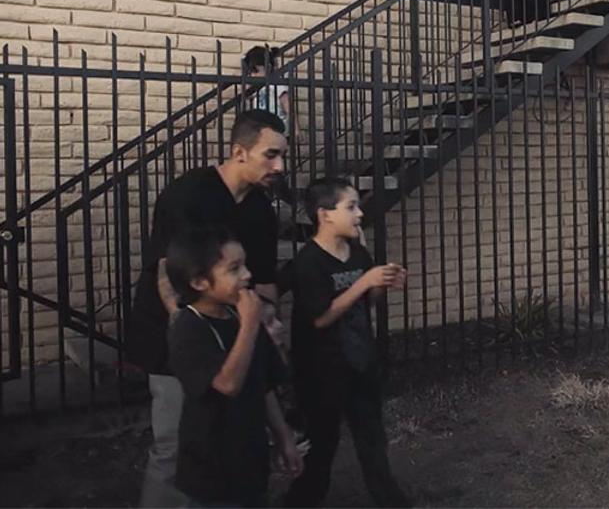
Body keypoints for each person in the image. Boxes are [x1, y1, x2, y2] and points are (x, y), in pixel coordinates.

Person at [127, 109, 288, 507]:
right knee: (174, 443)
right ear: (239, 152)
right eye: (270, 155)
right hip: (174, 335)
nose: (280, 167)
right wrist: (188, 328)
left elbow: (264, 278)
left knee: (229, 440)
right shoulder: (189, 195)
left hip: (234, 334)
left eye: (282, 155)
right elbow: (167, 272)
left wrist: (268, 320)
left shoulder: (261, 210)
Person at [283, 178, 410, 507]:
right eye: (351, 206)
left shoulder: (357, 252)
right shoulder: (309, 262)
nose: (359, 213)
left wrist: (382, 283)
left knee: (372, 439)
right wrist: (364, 282)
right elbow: (320, 318)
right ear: (324, 214)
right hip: (322, 371)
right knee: (322, 446)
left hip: (360, 362)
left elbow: (366, 302)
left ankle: (391, 500)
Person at [166, 226, 303, 506]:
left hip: (250, 460)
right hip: (211, 469)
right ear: (199, 282)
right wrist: (250, 325)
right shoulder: (188, 328)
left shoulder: (239, 316)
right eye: (234, 269)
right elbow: (227, 384)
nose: (247, 275)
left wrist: (284, 437)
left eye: (245, 265)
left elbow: (264, 384)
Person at [243, 45, 291, 136]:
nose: (252, 75)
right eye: (250, 72)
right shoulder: (256, 87)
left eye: (255, 71)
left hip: (279, 130)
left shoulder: (277, 84)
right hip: (262, 130)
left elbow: (288, 106)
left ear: (268, 67)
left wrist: (295, 128)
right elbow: (247, 96)